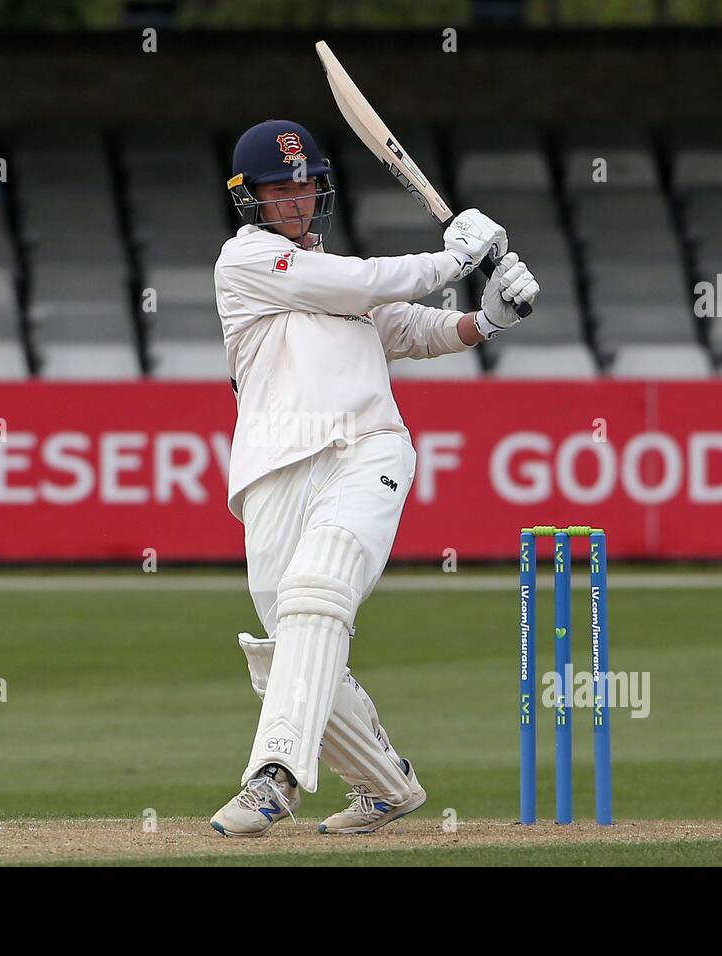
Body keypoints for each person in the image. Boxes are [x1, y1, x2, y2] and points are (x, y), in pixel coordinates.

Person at [209, 119, 539, 836]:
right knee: (288, 645)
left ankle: (274, 777)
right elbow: (363, 283)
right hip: (271, 471)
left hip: (367, 451)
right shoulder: (246, 264)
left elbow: (415, 330)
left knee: (316, 594)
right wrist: (455, 257)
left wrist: (488, 318)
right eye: (279, 189)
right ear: (250, 198)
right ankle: (386, 785)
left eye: (305, 186)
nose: (295, 201)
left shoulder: (338, 281)